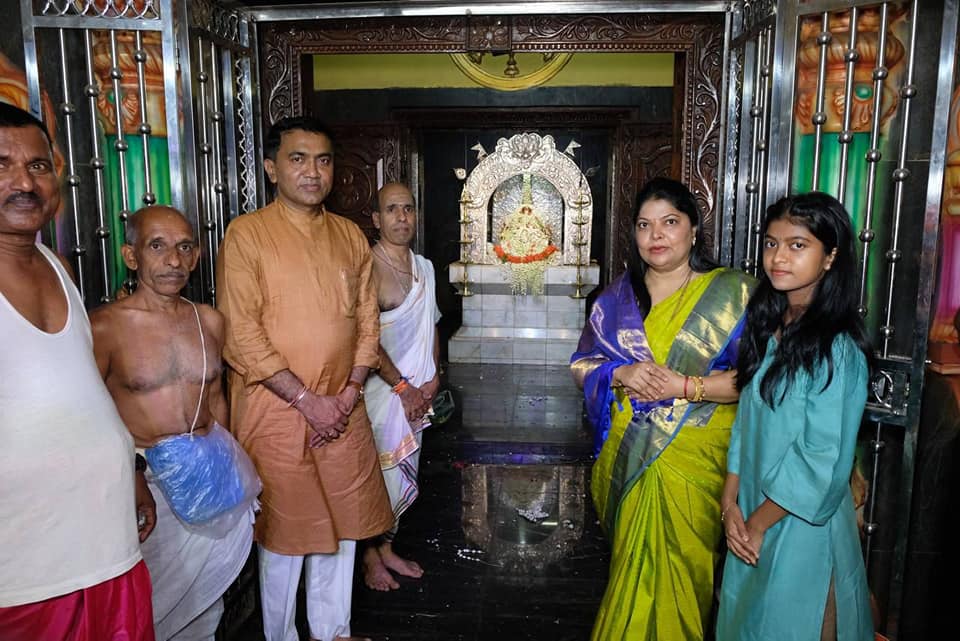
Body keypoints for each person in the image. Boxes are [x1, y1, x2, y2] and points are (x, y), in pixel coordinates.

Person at [216, 116, 393, 641]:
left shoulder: (349, 236)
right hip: (277, 411)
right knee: (287, 533)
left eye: (322, 160)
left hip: (343, 407)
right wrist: (307, 401)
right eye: (297, 159)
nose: (312, 172)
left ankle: (333, 628)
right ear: (272, 168)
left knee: (340, 526)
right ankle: (281, 634)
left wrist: (348, 392)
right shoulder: (247, 235)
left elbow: (367, 322)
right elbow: (241, 333)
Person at [570, 177, 756, 641]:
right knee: (632, 568)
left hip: (696, 458)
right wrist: (621, 374)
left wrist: (686, 385)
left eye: (670, 222)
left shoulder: (734, 294)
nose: (656, 235)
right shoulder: (614, 301)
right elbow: (581, 364)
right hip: (628, 452)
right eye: (644, 225)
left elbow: (754, 380)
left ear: (694, 230)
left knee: (682, 574)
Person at [0, 102, 156, 640]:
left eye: (38, 166)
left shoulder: (57, 267)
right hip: (25, 569)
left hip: (106, 543)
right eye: (1, 165)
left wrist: (132, 467)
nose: (24, 182)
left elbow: (84, 392)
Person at [91, 205, 256, 641]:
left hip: (211, 479)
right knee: (151, 601)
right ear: (132, 256)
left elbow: (217, 399)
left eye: (185, 247)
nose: (174, 260)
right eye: (158, 246)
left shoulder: (209, 321)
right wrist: (132, 475)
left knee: (204, 605)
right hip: (148, 486)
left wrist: (233, 472)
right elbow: (92, 412)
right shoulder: (105, 327)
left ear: (197, 256)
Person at [717, 192, 874, 641]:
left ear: (830, 257)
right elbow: (746, 428)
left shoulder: (837, 350)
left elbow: (821, 460)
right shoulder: (771, 329)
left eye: (797, 245)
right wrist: (729, 506)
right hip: (750, 515)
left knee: (792, 623)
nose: (778, 257)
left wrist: (756, 523)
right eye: (770, 243)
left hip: (799, 525)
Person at [361, 182, 441, 591]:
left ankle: (388, 546)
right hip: (382, 395)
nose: (402, 217)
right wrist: (402, 387)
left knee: (405, 471)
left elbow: (433, 323)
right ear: (376, 219)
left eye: (408, 208)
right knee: (379, 475)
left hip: (418, 395)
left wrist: (434, 376)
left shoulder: (424, 267)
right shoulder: (367, 269)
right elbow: (366, 342)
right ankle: (369, 558)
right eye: (392, 209)